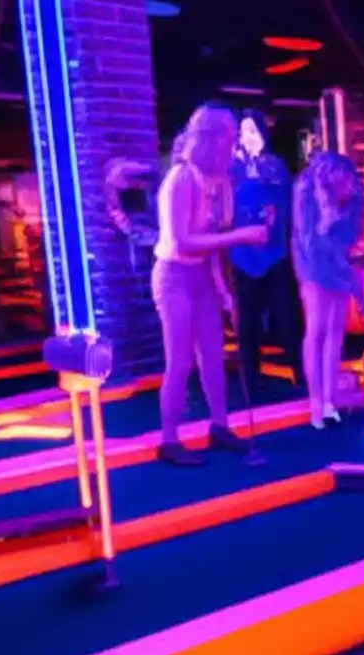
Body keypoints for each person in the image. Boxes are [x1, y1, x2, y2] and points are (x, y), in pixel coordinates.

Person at [152, 103, 270, 467]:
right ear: (207, 138)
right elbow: (183, 241)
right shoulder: (180, 178)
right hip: (173, 275)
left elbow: (213, 245)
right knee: (181, 359)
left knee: (213, 355)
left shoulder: (220, 183)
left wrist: (222, 290)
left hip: (202, 275)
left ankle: (219, 426)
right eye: (227, 137)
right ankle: (169, 439)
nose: (231, 145)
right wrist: (241, 235)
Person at [292, 151, 364, 429]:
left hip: (336, 263)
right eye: (345, 182)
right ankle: (316, 401)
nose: (350, 187)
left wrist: (353, 272)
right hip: (312, 264)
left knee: (335, 331)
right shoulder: (306, 190)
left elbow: (348, 239)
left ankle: (329, 401)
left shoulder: (353, 199)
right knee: (317, 330)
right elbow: (308, 241)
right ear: (331, 177)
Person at [229, 110, 303, 392]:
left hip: (275, 255)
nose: (248, 138)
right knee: (247, 322)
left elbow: (286, 207)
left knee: (286, 316)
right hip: (243, 257)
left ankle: (301, 374)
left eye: (253, 132)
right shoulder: (230, 170)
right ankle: (251, 382)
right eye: (243, 132)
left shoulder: (275, 167)